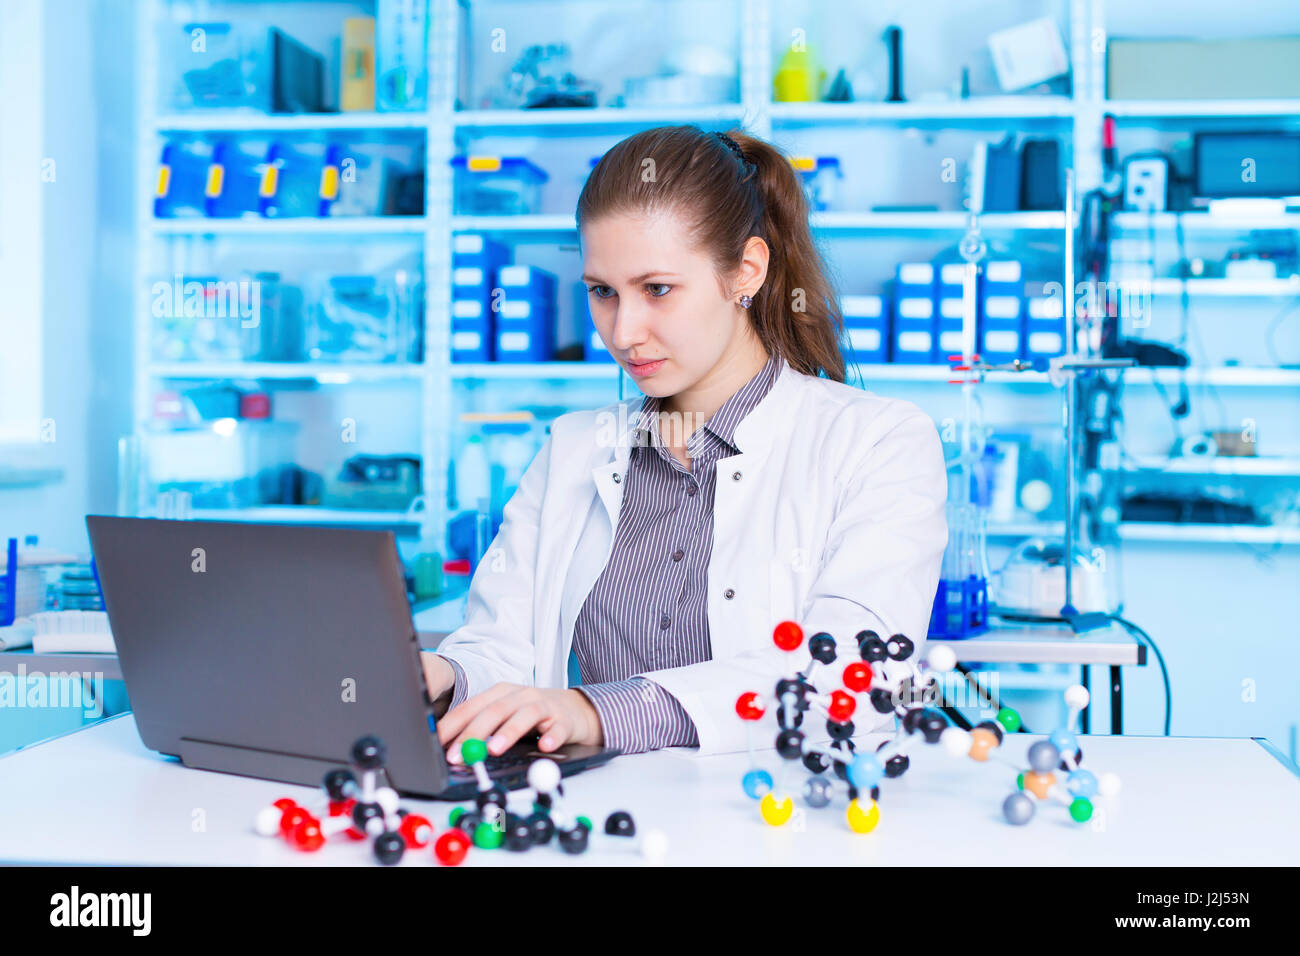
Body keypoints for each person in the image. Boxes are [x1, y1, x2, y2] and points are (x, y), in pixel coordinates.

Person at [422, 125, 947, 763]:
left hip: (786, 829)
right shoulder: (573, 447)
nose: (623, 331)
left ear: (745, 273)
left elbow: (850, 677)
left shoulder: (877, 441)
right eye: (602, 292)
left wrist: (597, 711)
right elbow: (501, 646)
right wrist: (449, 678)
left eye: (658, 290)